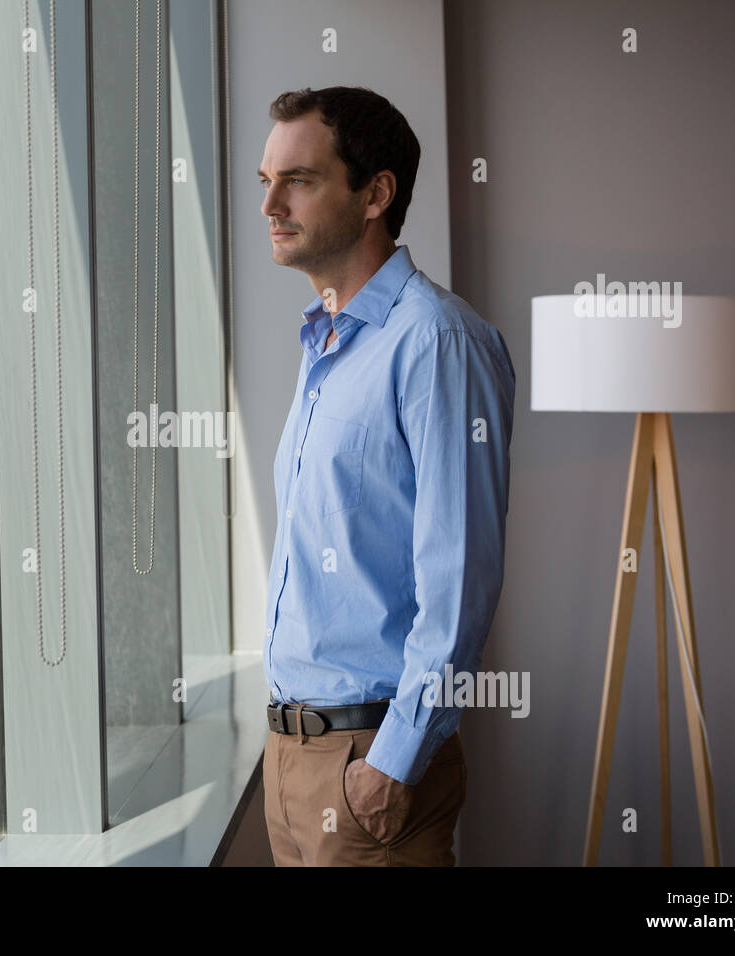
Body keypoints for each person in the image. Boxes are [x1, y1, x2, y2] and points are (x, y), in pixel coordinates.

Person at [258, 86, 516, 866]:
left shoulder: (437, 342)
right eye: (264, 180)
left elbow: (460, 573)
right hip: (290, 763)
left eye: (298, 179)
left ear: (376, 193)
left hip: (368, 764)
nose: (270, 202)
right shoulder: (326, 343)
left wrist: (393, 762)